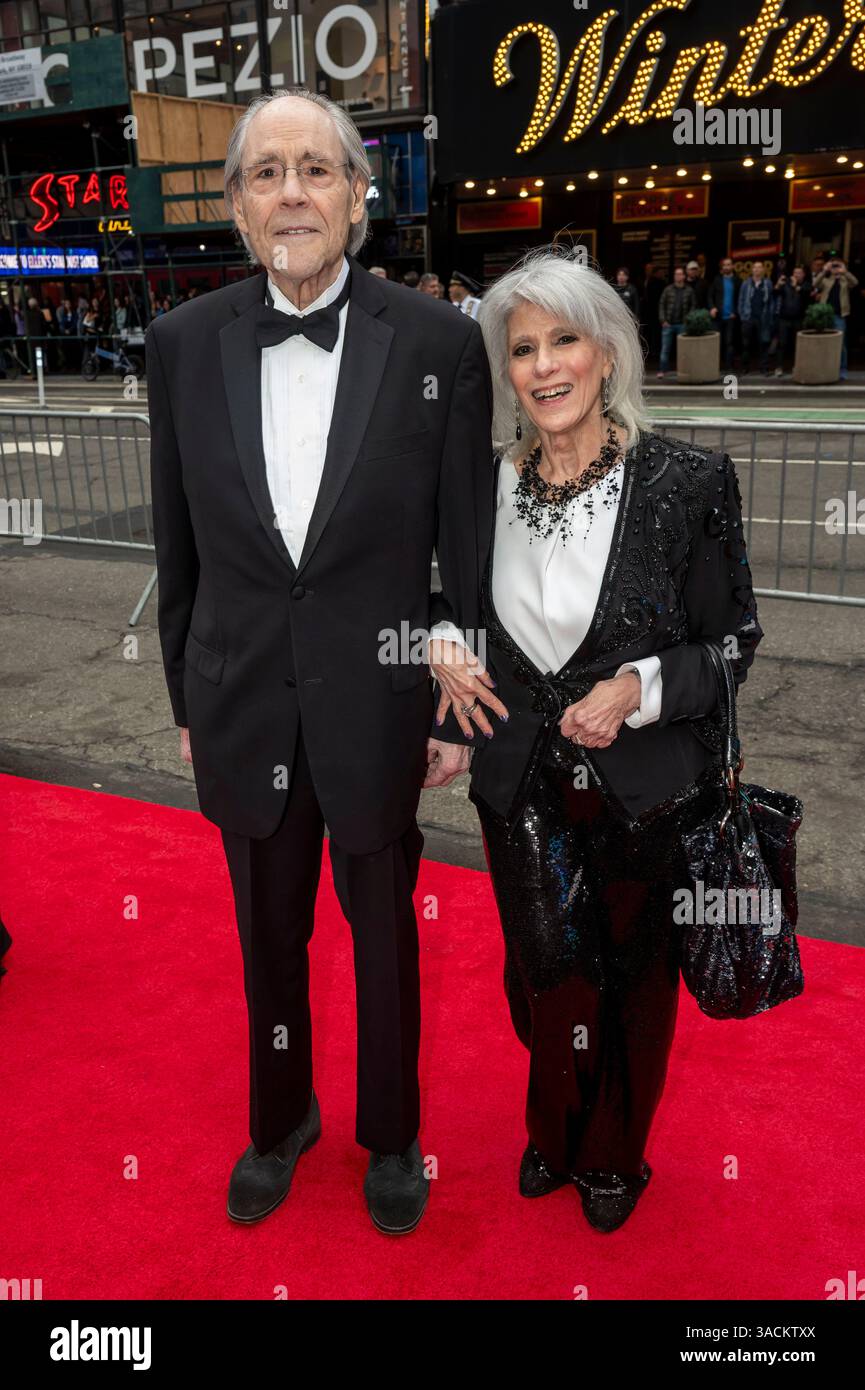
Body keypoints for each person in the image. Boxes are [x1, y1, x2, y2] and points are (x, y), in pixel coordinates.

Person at [145, 88, 496, 1237]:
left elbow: (465, 548)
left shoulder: (440, 343)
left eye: (315, 170)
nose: (290, 191)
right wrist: (185, 695)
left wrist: (455, 706)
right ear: (240, 207)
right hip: (241, 694)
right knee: (267, 936)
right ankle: (280, 1115)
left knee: (384, 934)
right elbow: (175, 542)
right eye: (265, 174)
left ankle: (391, 1133)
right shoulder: (180, 345)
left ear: (357, 196)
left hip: (383, 700)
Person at [430, 245, 762, 1232]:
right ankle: (556, 1116)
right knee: (545, 974)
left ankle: (610, 1152)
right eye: (521, 347)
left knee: (633, 980)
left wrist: (639, 685)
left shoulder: (687, 483)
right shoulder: (482, 486)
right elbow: (440, 597)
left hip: (647, 783)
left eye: (562, 339)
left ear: (605, 351)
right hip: (519, 775)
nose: (542, 365)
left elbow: (733, 639)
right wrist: (442, 642)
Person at [812, 254, 859, 380]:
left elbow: (855, 283)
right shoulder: (827, 279)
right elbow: (815, 284)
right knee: (823, 342)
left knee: (841, 343)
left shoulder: (845, 280)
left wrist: (845, 271)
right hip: (825, 315)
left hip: (840, 315)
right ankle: (823, 368)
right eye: (834, 265)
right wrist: (824, 270)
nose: (836, 268)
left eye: (838, 265)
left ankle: (842, 369)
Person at [656, 266, 695, 377]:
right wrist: (663, 320)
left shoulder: (689, 290)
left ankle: (683, 371)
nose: (677, 276)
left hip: (682, 324)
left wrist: (688, 320)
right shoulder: (668, 289)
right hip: (668, 324)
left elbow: (693, 305)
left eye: (679, 274)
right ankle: (662, 370)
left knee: (683, 350)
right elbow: (661, 304)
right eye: (676, 274)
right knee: (665, 348)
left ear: (683, 276)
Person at [738, 261, 775, 375]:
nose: (757, 269)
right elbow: (741, 300)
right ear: (752, 270)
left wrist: (771, 314)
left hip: (763, 318)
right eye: (755, 267)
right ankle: (745, 367)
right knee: (746, 344)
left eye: (760, 267)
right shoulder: (746, 283)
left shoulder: (768, 283)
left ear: (763, 270)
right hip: (748, 318)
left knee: (763, 344)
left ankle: (764, 367)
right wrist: (743, 315)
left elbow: (771, 301)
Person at [773, 265, 810, 375]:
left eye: (799, 273)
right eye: (795, 273)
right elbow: (774, 294)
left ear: (803, 274)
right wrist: (778, 285)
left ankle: (797, 367)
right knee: (782, 344)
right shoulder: (786, 284)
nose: (796, 275)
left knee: (798, 344)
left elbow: (806, 294)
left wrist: (796, 286)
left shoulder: (806, 284)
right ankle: (779, 367)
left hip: (799, 319)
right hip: (784, 319)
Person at [707, 256, 741, 369]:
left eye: (728, 264)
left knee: (729, 343)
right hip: (718, 317)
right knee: (716, 343)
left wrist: (735, 312)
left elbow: (740, 299)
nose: (726, 267)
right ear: (722, 267)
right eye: (724, 265)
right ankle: (714, 366)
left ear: (732, 266)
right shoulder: (717, 279)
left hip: (730, 317)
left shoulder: (737, 281)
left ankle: (728, 366)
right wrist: (712, 307)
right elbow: (710, 296)